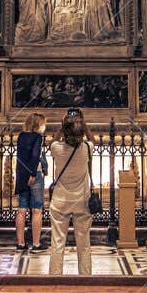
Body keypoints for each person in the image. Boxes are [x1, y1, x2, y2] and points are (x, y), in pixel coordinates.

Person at [48, 109, 94, 275]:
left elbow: (51, 142)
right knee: (84, 244)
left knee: (57, 243)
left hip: (60, 201)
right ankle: (86, 278)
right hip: (82, 201)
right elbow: (92, 139)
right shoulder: (87, 149)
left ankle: (54, 279)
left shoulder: (57, 149)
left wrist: (62, 127)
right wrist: (84, 124)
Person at [14, 112, 48, 252]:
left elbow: (20, 157)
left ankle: (20, 243)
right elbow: (35, 155)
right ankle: (36, 243)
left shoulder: (21, 136)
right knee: (36, 210)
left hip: (21, 174)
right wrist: (33, 173)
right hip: (35, 175)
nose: (45, 126)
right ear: (38, 124)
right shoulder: (38, 137)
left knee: (21, 210)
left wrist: (23, 174)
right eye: (43, 123)